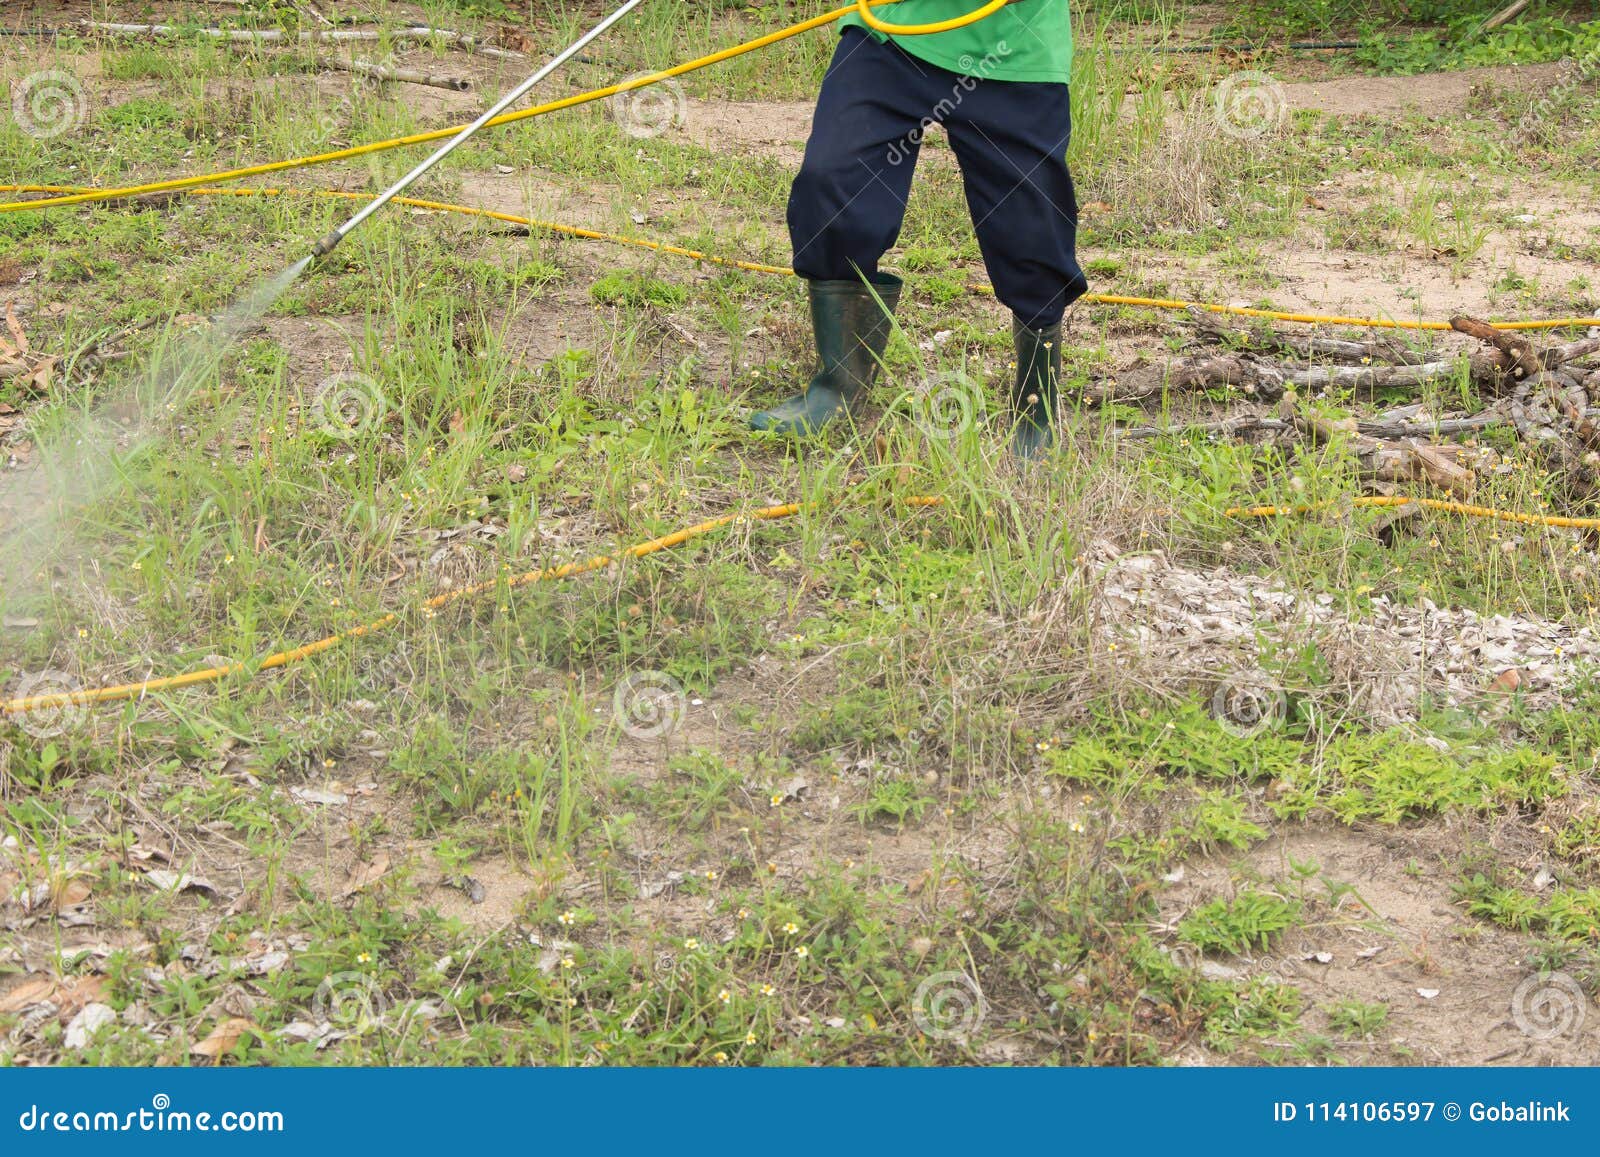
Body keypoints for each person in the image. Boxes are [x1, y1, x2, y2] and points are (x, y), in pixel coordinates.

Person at [749, 0, 1086, 460]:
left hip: (1014, 46)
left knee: (1030, 229)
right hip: (892, 31)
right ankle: (838, 387)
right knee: (832, 185)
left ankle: (1035, 407)